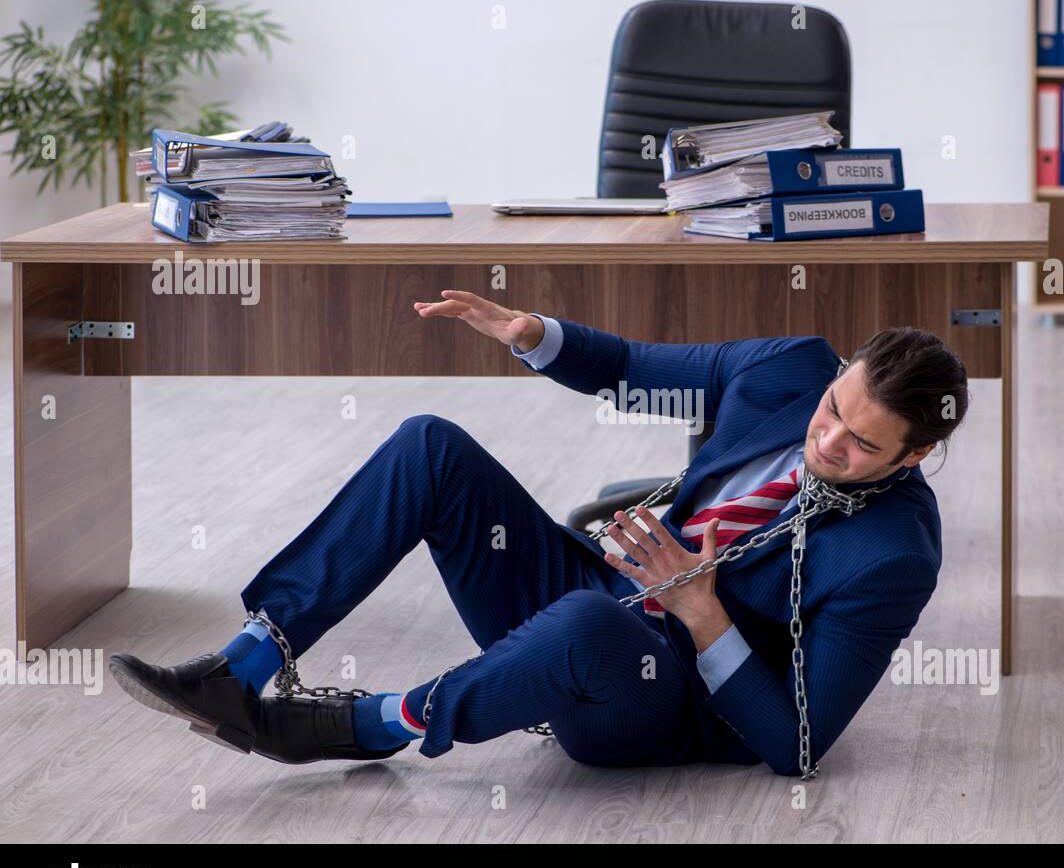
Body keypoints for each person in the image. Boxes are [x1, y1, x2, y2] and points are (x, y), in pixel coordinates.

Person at [110, 289, 968, 777]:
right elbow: (635, 371)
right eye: (832, 412)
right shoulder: (790, 370)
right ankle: (244, 666)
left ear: (917, 453)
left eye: (861, 443)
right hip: (604, 589)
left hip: (661, 691)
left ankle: (368, 724)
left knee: (595, 626)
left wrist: (703, 614)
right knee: (429, 446)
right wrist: (534, 337)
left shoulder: (895, 554)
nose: (827, 439)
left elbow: (799, 744)